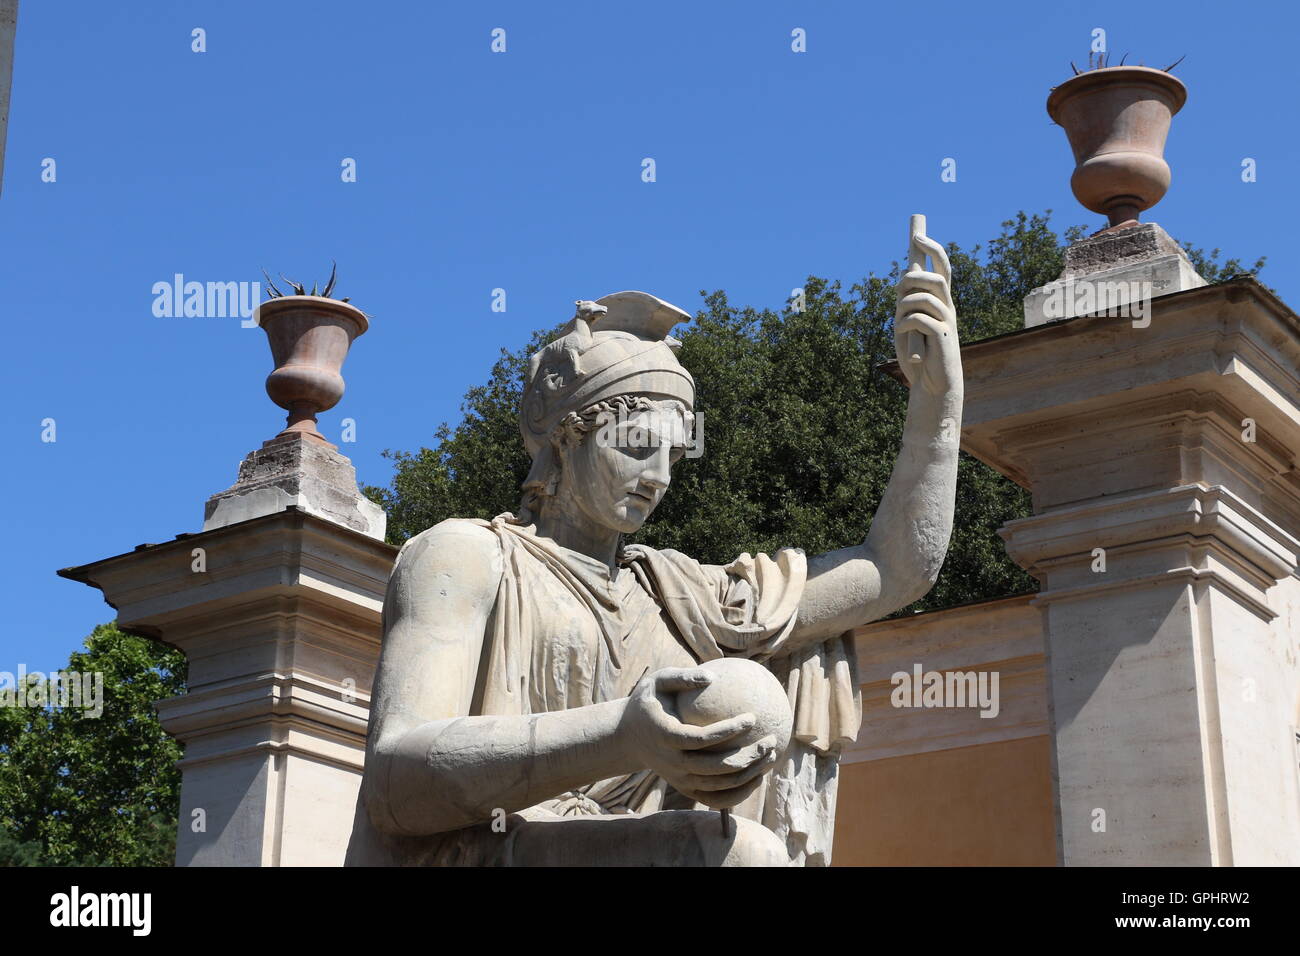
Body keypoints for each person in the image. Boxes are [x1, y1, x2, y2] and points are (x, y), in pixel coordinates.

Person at [346, 239, 961, 866]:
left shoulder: (681, 596)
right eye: (637, 444)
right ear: (567, 436)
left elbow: (893, 570)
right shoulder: (464, 556)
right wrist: (625, 735)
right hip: (483, 852)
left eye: (672, 455)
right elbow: (399, 783)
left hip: (609, 850)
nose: (658, 476)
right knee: (742, 857)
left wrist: (937, 404)